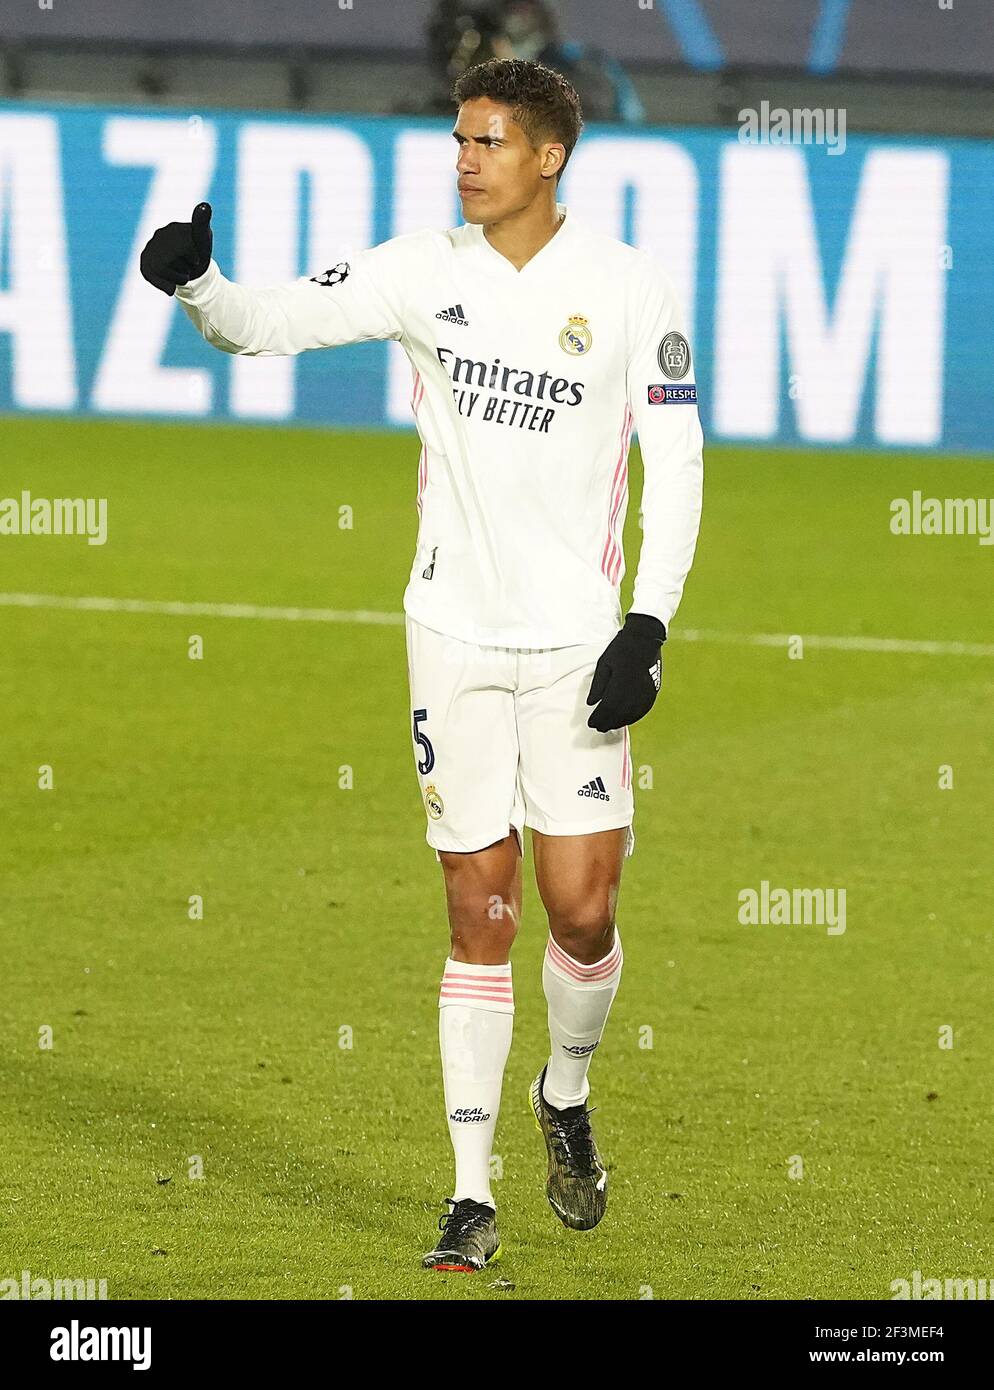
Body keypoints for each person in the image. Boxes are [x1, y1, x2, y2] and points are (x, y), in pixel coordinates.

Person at [139, 57, 703, 1273]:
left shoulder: (627, 287)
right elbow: (272, 324)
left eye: (486, 141)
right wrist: (200, 286)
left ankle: (564, 1093)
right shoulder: (417, 266)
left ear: (547, 155)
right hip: (449, 635)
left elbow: (679, 458)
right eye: (458, 139)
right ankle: (467, 1194)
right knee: (476, 910)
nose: (463, 159)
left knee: (583, 910)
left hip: (575, 647)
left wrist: (645, 626)